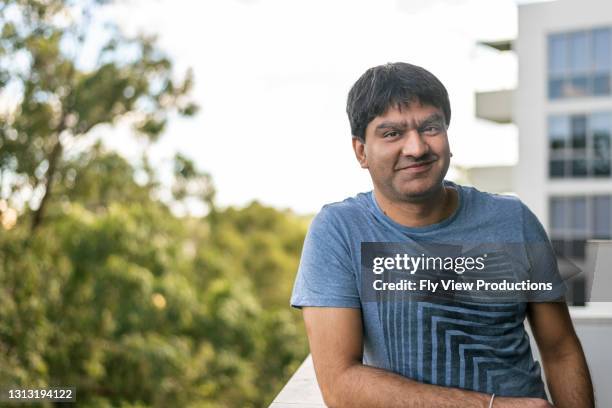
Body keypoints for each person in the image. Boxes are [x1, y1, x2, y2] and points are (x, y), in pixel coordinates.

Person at [290, 62, 594, 408]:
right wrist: (491, 406)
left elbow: (560, 349)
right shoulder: (339, 231)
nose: (417, 148)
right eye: (392, 134)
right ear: (361, 151)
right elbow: (340, 384)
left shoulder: (514, 219)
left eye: (430, 127)